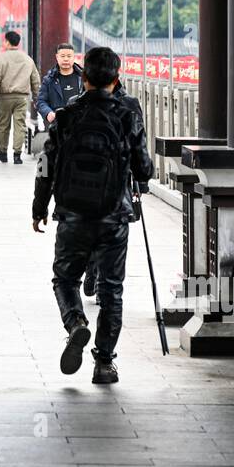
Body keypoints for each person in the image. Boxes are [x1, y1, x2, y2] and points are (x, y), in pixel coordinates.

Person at [32, 47, 153, 385]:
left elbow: (46, 165)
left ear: (83, 79)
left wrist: (39, 208)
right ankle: (104, 363)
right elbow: (145, 167)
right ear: (117, 78)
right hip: (114, 216)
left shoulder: (67, 114)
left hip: (72, 214)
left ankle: (76, 324)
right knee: (112, 290)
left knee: (65, 280)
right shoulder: (128, 112)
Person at [0, 29, 40, 164]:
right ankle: (17, 155)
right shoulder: (28, 59)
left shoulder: (1, 59)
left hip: (5, 97)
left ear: (6, 42)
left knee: (4, 125)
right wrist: (37, 97)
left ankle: (3, 153)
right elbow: (35, 80)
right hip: (22, 98)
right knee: (20, 125)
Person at [36, 43, 84, 123]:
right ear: (57, 57)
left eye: (69, 56)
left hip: (79, 123)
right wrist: (48, 113)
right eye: (62, 56)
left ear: (73, 57)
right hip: (57, 124)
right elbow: (41, 101)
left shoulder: (83, 78)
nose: (66, 59)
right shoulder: (49, 79)